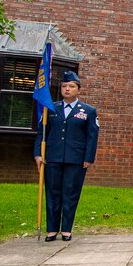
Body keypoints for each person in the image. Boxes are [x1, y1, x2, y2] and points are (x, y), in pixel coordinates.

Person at [34, 71, 100, 242]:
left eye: (71, 86)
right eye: (64, 86)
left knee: (70, 193)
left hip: (75, 159)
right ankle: (52, 229)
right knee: (52, 193)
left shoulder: (88, 111)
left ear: (78, 89)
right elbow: (42, 133)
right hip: (52, 157)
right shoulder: (50, 108)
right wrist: (38, 154)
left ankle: (66, 229)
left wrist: (88, 158)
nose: (67, 89)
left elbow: (92, 136)